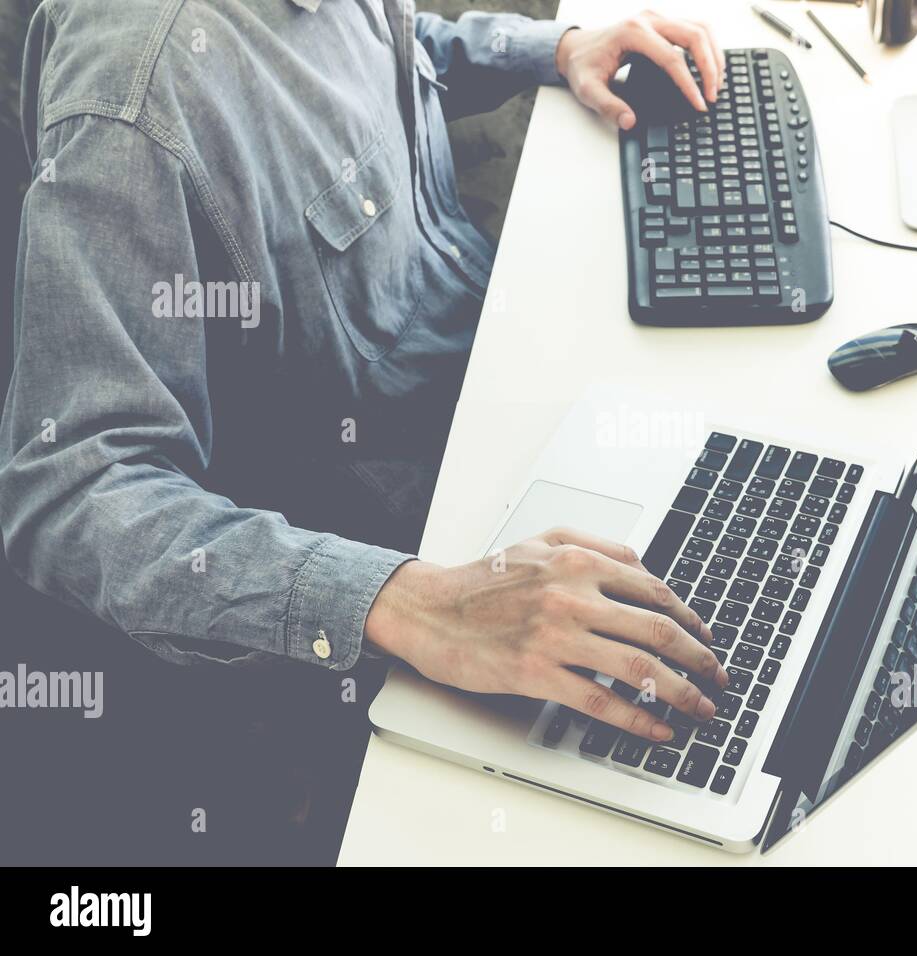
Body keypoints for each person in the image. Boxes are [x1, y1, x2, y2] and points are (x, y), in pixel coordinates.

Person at [0, 0, 730, 855]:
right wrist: (422, 605)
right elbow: (72, 488)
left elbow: (393, 53)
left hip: (504, 378)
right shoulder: (130, 96)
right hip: (419, 543)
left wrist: (558, 47)